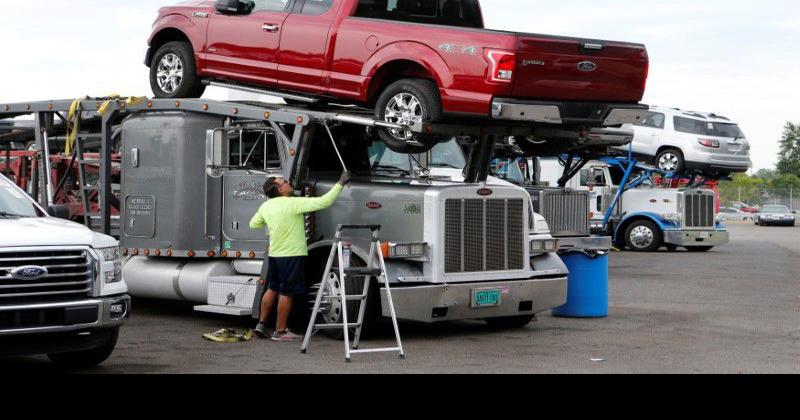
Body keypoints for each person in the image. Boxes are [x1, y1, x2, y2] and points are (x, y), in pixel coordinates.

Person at [250, 172, 351, 341]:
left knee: (272, 289)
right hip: (291, 254)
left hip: (275, 254)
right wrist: (340, 183)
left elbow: (253, 224)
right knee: (286, 292)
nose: (288, 182)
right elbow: (324, 201)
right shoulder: (293, 203)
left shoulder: (265, 206)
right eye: (284, 182)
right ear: (279, 190)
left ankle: (261, 324)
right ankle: (280, 331)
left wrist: (274, 228)